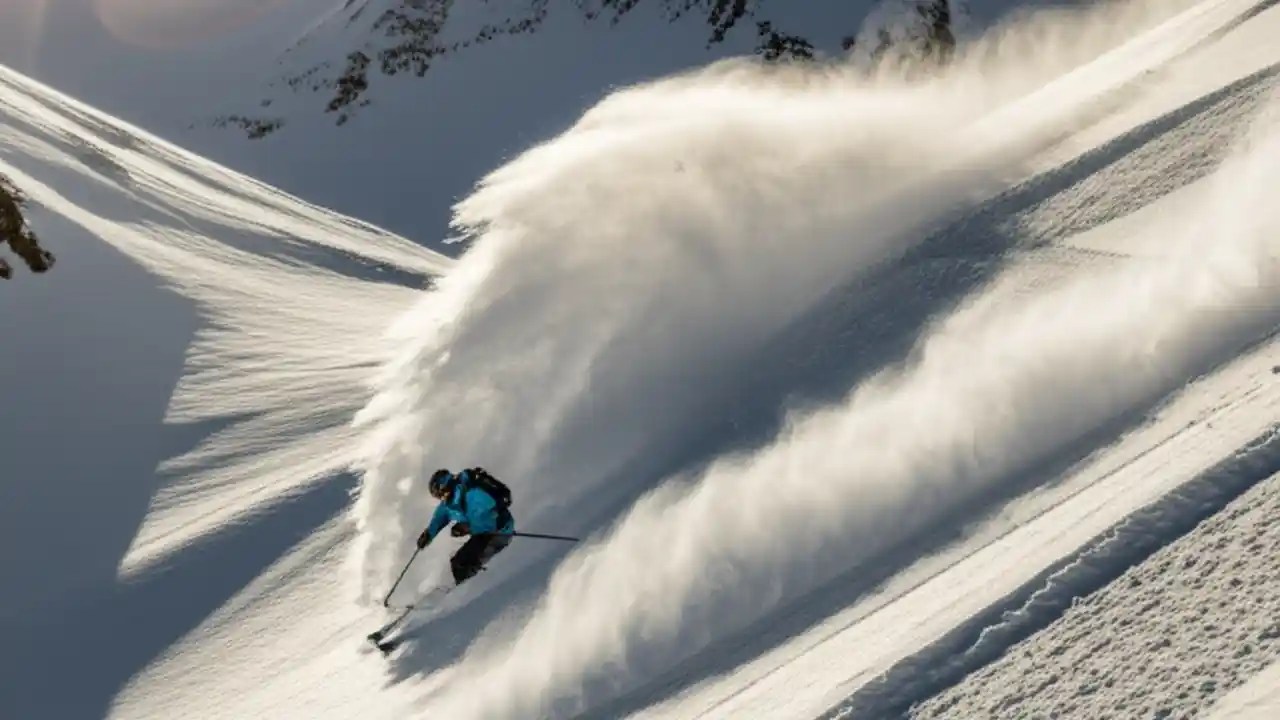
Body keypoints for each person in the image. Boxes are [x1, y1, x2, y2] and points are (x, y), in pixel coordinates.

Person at [416, 468, 515, 585]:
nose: (441, 498)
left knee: (463, 563)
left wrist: (465, 528)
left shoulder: (473, 495)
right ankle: (461, 582)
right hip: (483, 532)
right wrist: (429, 534)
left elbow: (486, 525)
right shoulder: (452, 500)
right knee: (458, 562)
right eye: (438, 496)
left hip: (498, 532)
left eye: (441, 494)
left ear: (446, 487)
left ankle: (473, 585)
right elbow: (441, 515)